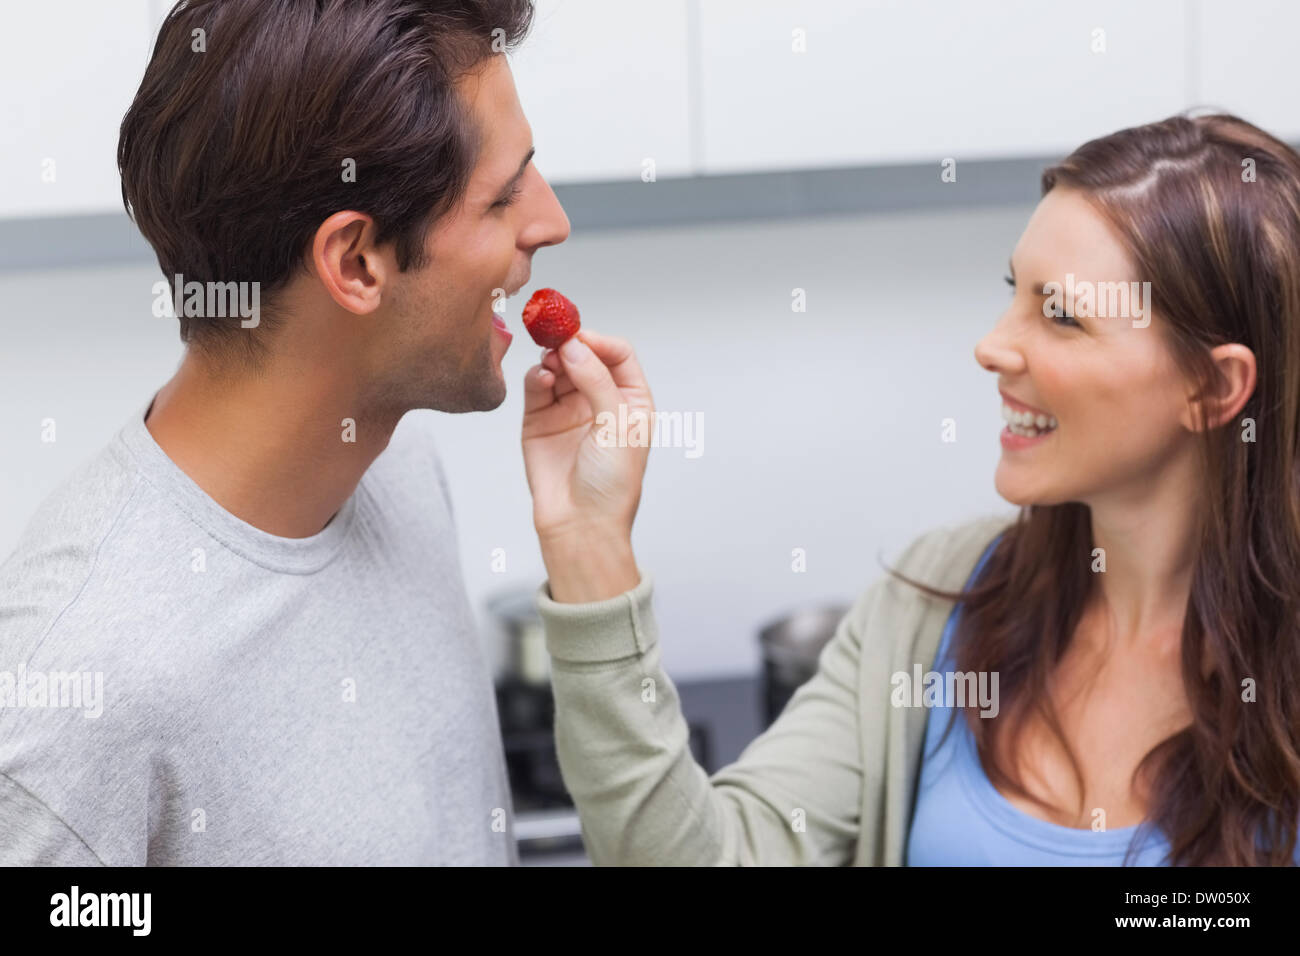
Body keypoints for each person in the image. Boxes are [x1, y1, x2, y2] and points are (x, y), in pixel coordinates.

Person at [522, 113, 1300, 866]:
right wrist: (591, 546)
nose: (993, 346)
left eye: (1060, 315)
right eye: (1013, 290)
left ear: (1212, 386)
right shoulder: (935, 606)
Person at [0, 0, 562, 864]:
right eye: (503, 197)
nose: (550, 222)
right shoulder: (70, 696)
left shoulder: (393, 458)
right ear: (356, 263)